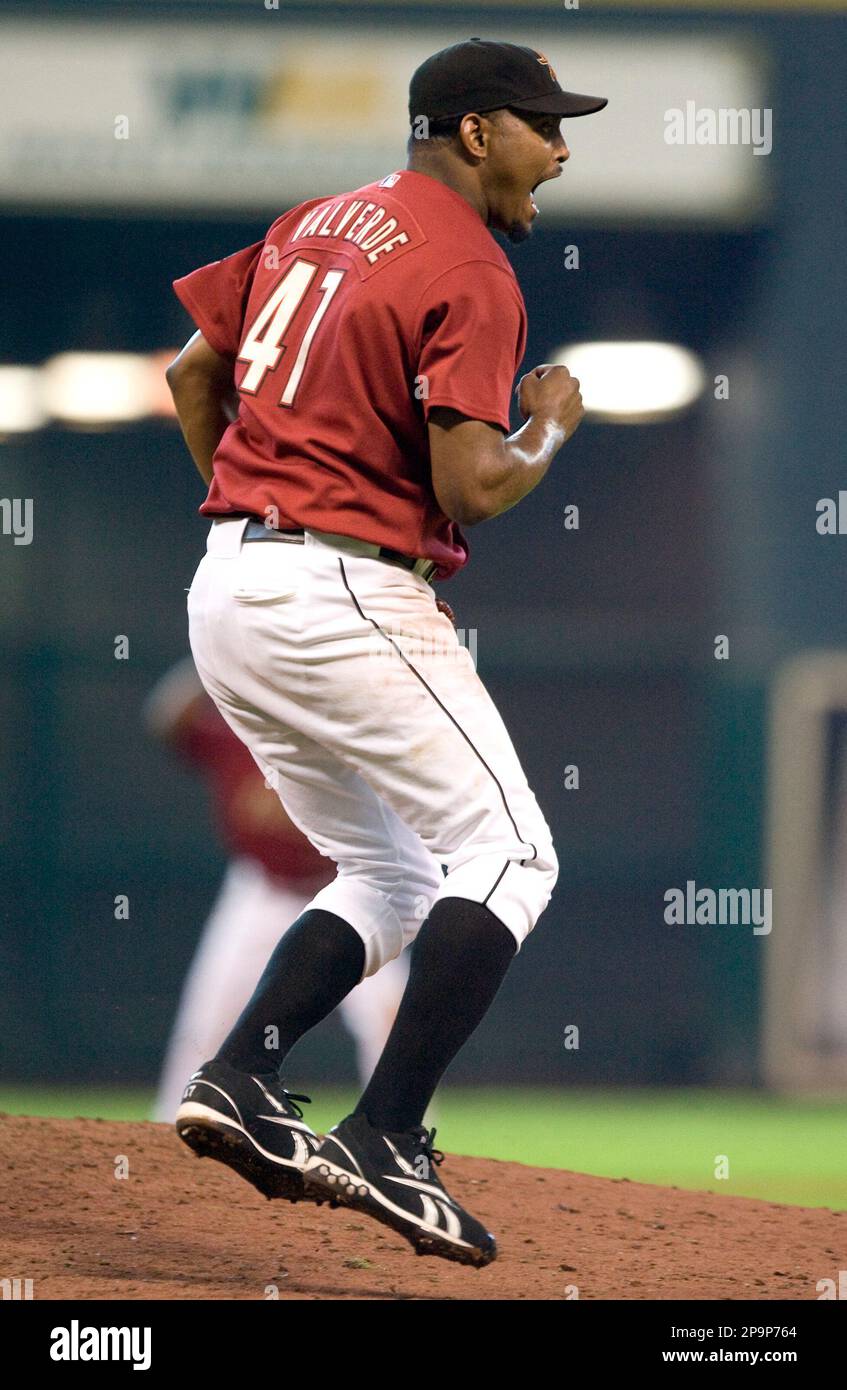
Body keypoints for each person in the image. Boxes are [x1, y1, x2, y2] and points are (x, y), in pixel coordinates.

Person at [165, 38, 605, 1267]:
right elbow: (469, 485)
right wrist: (549, 425)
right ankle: (387, 1131)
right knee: (514, 852)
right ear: (473, 130)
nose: (560, 147)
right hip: (342, 588)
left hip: (231, 586)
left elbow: (194, 372)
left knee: (393, 871)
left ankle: (241, 1075)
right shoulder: (469, 260)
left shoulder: (315, 219)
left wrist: (263, 521)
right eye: (541, 123)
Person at [144, 657, 411, 1124]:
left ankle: (390, 1130)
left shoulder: (342, 739)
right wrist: (216, 654)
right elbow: (166, 720)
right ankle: (171, 1125)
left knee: (390, 1019)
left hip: (351, 890)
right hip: (260, 893)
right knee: (208, 1018)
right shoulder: (237, 735)